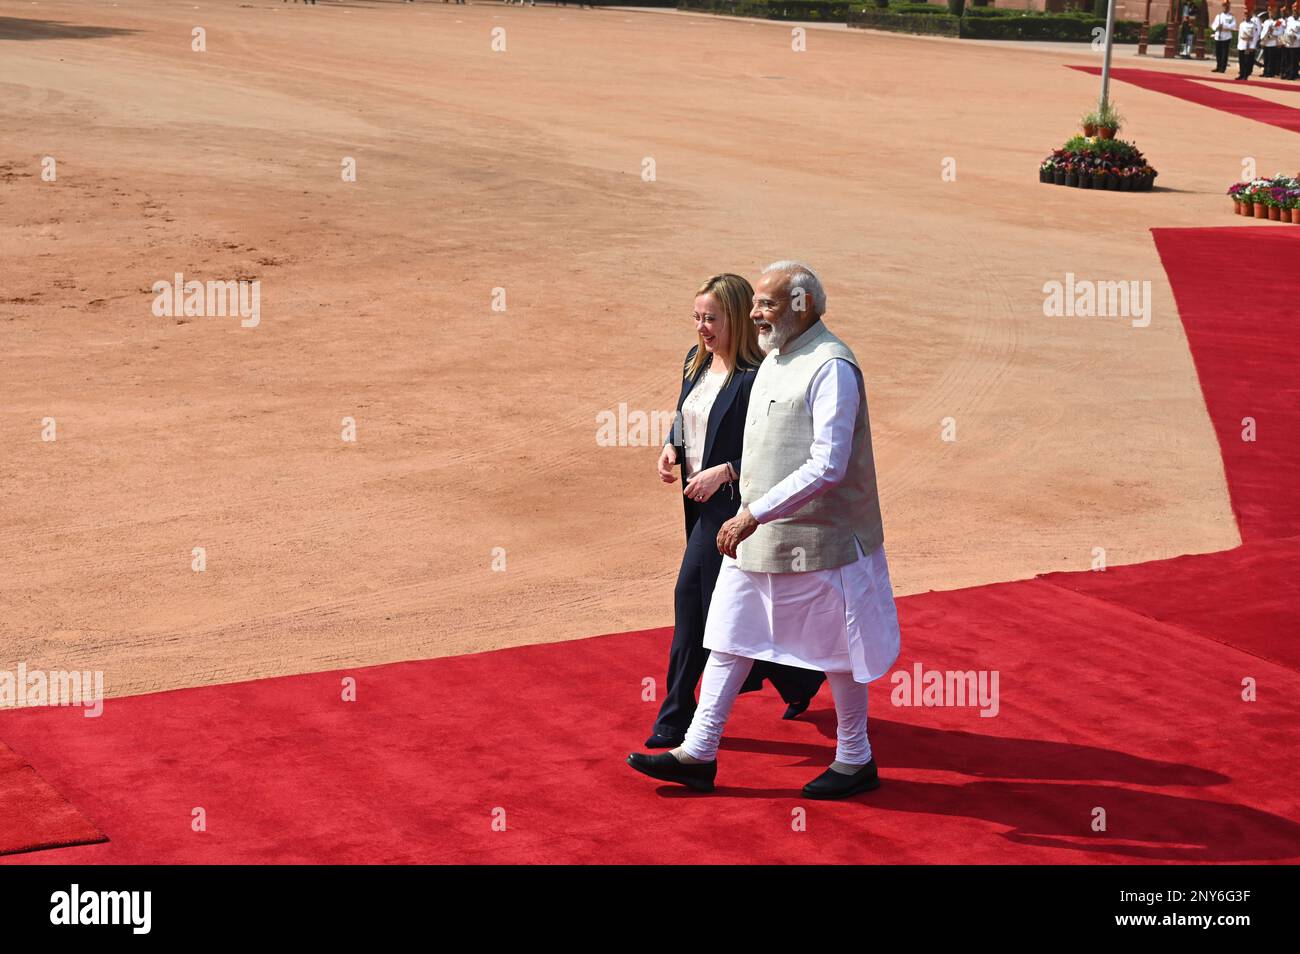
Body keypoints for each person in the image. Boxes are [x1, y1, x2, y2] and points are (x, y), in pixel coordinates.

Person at [628, 261, 902, 800]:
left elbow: (830, 464)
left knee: (837, 654)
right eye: (753, 302)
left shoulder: (832, 366)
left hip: (820, 541)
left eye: (767, 304)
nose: (754, 312)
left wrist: (754, 512)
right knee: (729, 635)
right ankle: (698, 752)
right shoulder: (777, 358)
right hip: (759, 534)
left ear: (801, 306)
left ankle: (855, 758)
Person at [646, 274, 826, 749]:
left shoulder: (757, 378)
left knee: (691, 603)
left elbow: (782, 451)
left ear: (736, 321)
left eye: (712, 319)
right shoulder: (695, 362)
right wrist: (672, 446)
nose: (701, 328)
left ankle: (674, 717)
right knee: (723, 604)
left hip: (732, 510)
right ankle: (798, 679)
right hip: (697, 504)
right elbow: (687, 414)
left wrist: (724, 470)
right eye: (697, 318)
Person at [1212, 1, 1238, 71]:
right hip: (1218, 36)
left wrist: (1225, 27)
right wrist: (1217, 27)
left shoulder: (1231, 17)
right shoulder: (1219, 16)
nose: (1225, 8)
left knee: (1224, 54)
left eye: (1227, 7)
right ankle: (1218, 66)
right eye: (1224, 6)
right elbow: (1213, 25)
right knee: (1218, 53)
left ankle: (1222, 68)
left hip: (1226, 37)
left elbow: (1233, 26)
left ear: (1228, 8)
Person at [1261, 2, 1286, 75]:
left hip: (1272, 43)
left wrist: (1272, 33)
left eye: (1272, 12)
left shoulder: (1278, 22)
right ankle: (1265, 71)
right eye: (1269, 12)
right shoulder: (1266, 22)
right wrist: (1262, 39)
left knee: (1271, 59)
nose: (1270, 14)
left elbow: (1279, 32)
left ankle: (1270, 72)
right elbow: (1263, 32)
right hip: (1265, 42)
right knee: (1265, 58)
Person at [1237, 9, 1261, 79]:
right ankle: (1241, 74)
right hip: (1242, 44)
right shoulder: (1241, 24)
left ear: (1250, 16)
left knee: (1247, 61)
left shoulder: (1253, 25)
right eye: (1246, 15)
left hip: (1249, 45)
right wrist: (1239, 44)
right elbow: (1239, 35)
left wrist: (1253, 46)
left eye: (1248, 15)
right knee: (1241, 61)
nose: (1247, 16)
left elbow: (1255, 36)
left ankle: (1245, 75)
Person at [1283, 4, 1300, 78]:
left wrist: (1296, 37)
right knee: (1288, 59)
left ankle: (1293, 74)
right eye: (1293, 10)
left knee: (1294, 60)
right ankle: (1287, 73)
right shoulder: (1289, 19)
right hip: (1288, 42)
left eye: (1296, 10)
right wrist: (1285, 39)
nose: (1294, 12)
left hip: (1296, 43)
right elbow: (1286, 29)